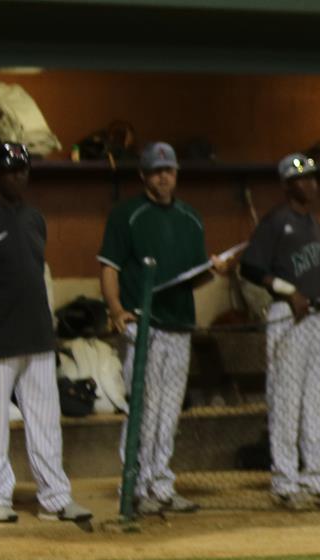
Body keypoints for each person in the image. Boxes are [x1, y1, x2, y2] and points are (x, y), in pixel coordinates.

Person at [0, 142, 92, 525]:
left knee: (46, 418)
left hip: (34, 335)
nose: (18, 175)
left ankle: (55, 497)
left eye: (23, 168)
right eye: (10, 169)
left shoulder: (34, 219)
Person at [98, 141, 229, 514]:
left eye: (168, 170)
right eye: (156, 171)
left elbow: (193, 279)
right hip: (144, 323)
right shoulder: (127, 214)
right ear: (143, 175)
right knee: (143, 409)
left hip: (179, 324)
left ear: (176, 173)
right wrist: (116, 309)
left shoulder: (191, 218)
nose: (163, 176)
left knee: (168, 413)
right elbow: (109, 266)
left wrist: (215, 271)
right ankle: (135, 487)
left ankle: (161, 484)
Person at [242, 153, 320, 510]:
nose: (311, 184)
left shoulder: (312, 222)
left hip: (316, 318)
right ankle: (285, 480)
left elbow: (315, 269)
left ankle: (314, 476)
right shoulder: (275, 221)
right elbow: (251, 268)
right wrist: (286, 290)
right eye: (303, 179)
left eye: (313, 177)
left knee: (316, 400)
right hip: (288, 316)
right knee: (285, 399)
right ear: (287, 185)